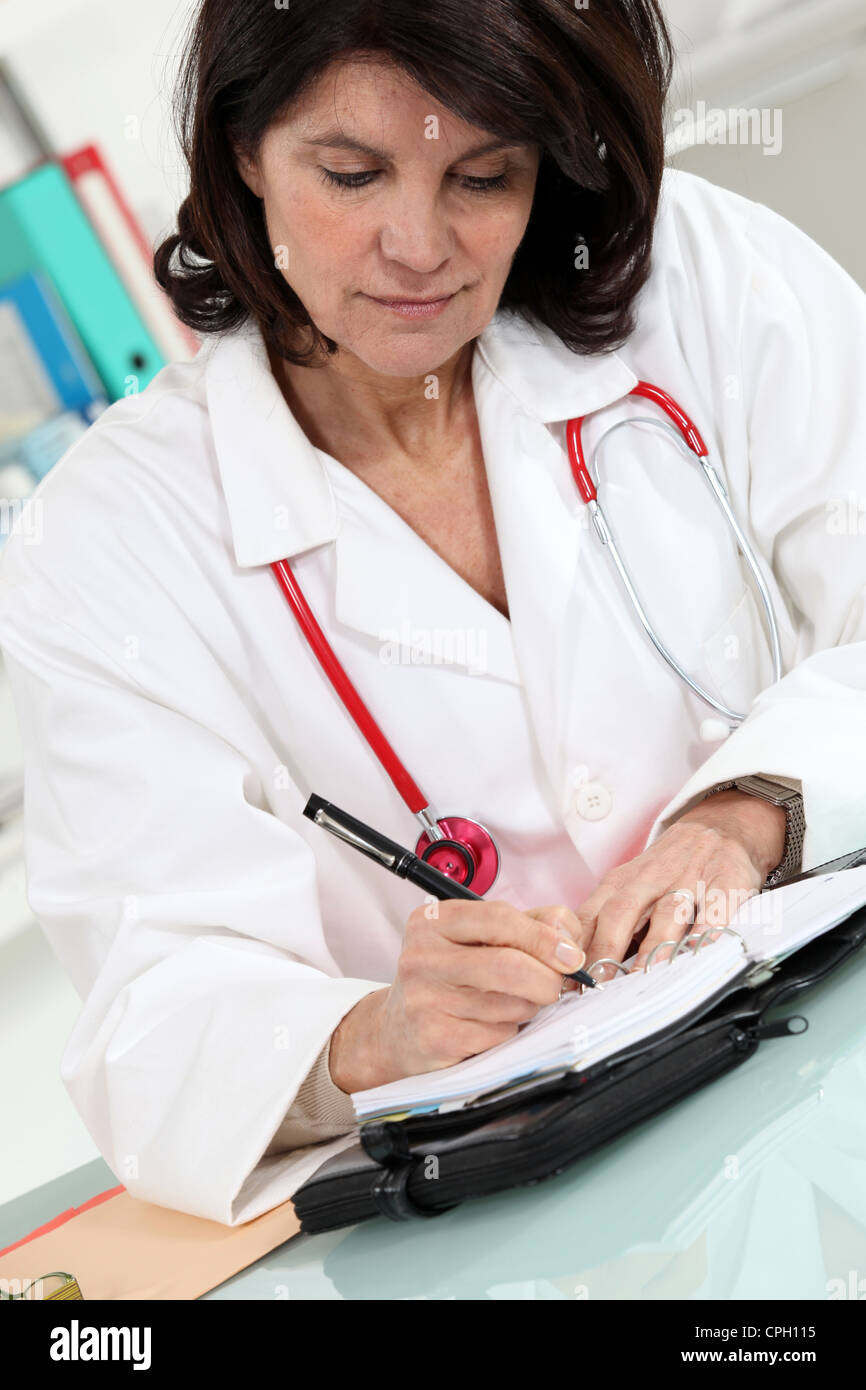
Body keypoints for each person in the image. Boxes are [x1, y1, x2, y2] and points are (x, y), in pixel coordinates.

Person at [1, 0, 865, 1226]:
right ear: (242, 150)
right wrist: (374, 1031)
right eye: (349, 173)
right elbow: (152, 1018)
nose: (417, 245)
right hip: (503, 1215)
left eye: (483, 175)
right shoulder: (112, 537)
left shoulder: (704, 281)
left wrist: (738, 818)